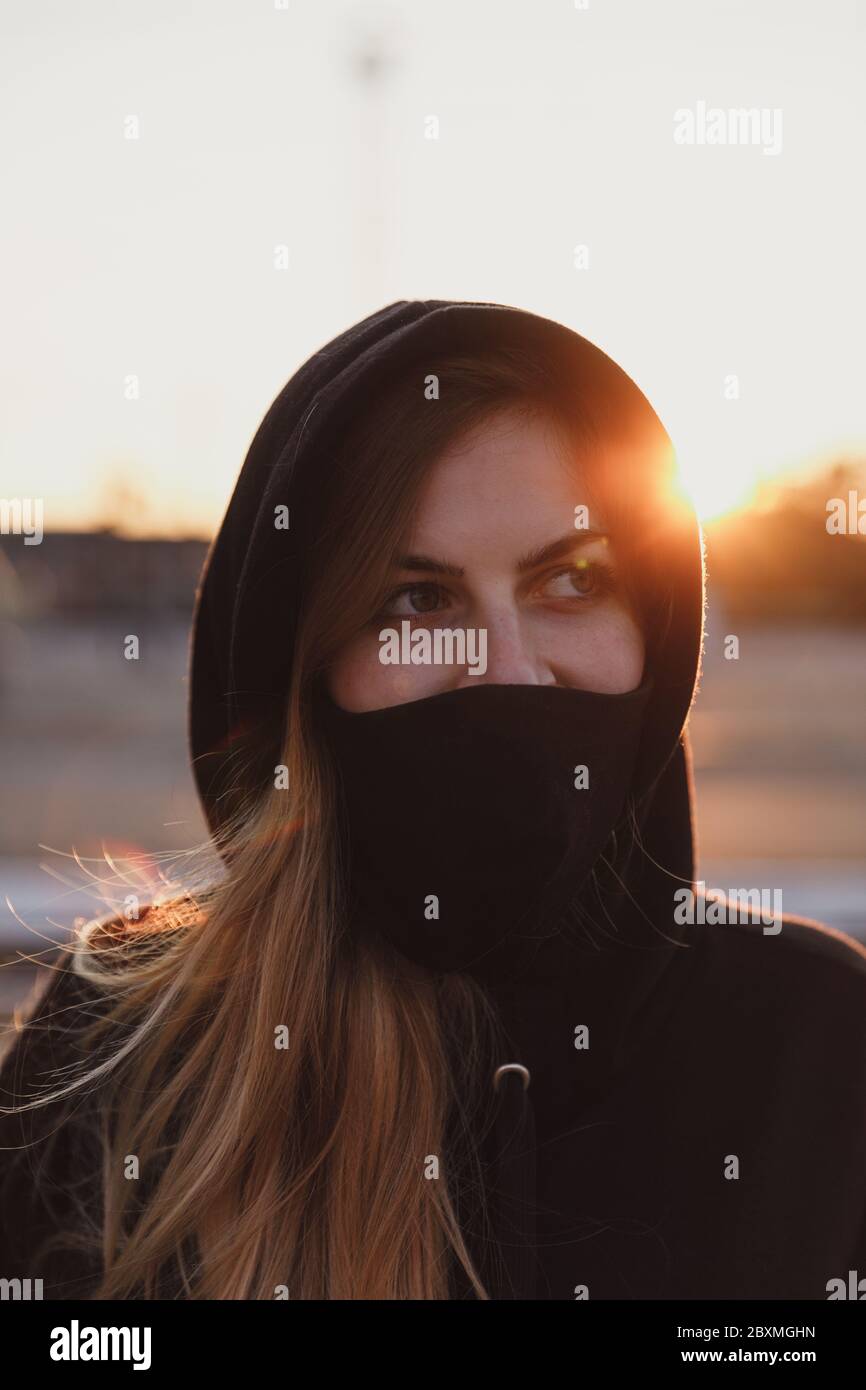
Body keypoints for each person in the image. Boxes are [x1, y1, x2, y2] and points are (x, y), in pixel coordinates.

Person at [2, 298, 865, 1301]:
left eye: (572, 580)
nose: (507, 669)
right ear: (303, 668)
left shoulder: (819, 1046)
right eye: (418, 600)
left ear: (657, 626)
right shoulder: (128, 1050)